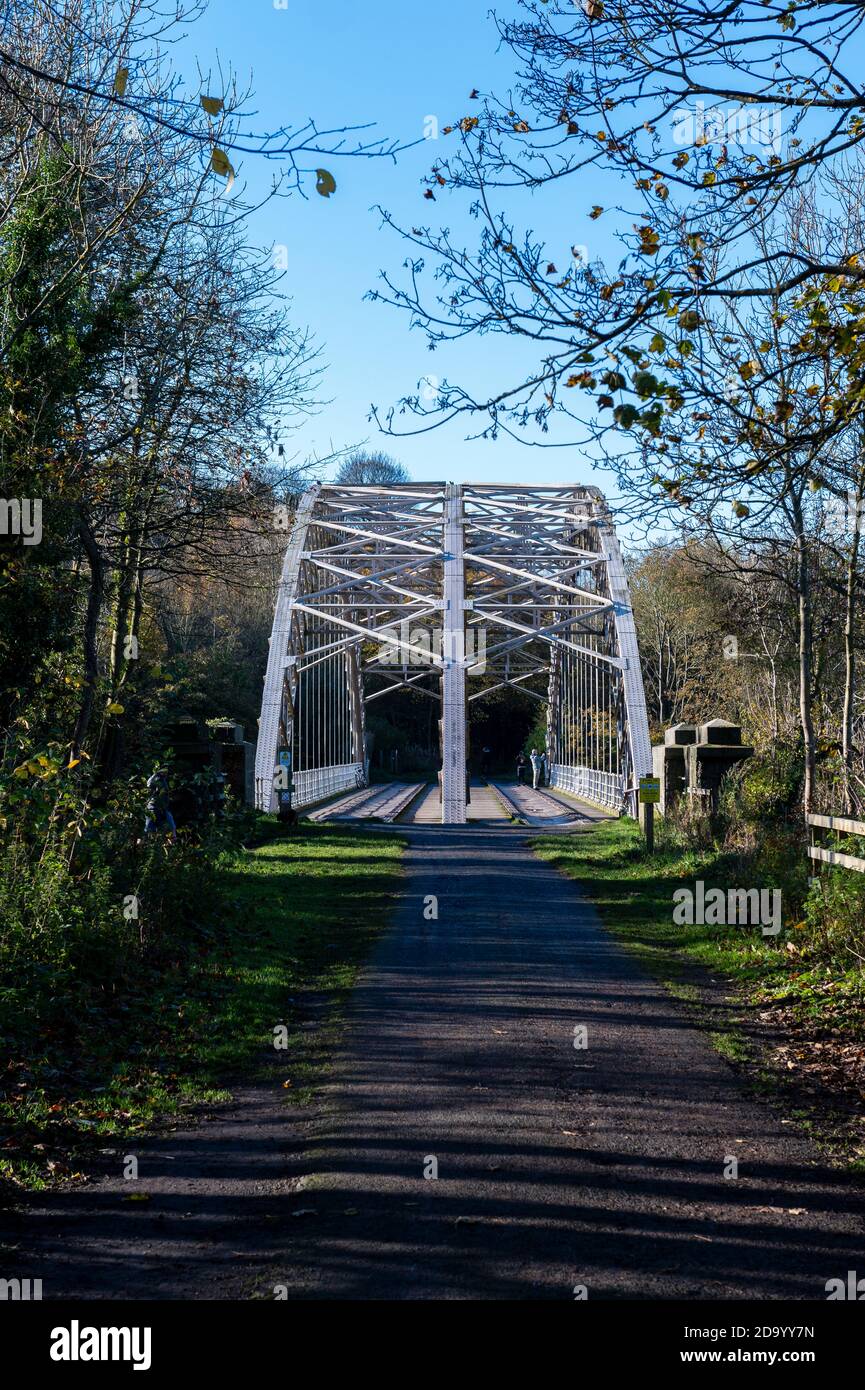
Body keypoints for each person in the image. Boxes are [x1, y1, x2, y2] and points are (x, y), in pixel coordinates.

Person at [144, 767, 177, 842]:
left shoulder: (164, 781)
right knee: (147, 834)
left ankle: (169, 849)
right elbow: (149, 784)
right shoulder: (155, 779)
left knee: (172, 832)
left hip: (164, 809)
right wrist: (156, 773)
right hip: (153, 809)